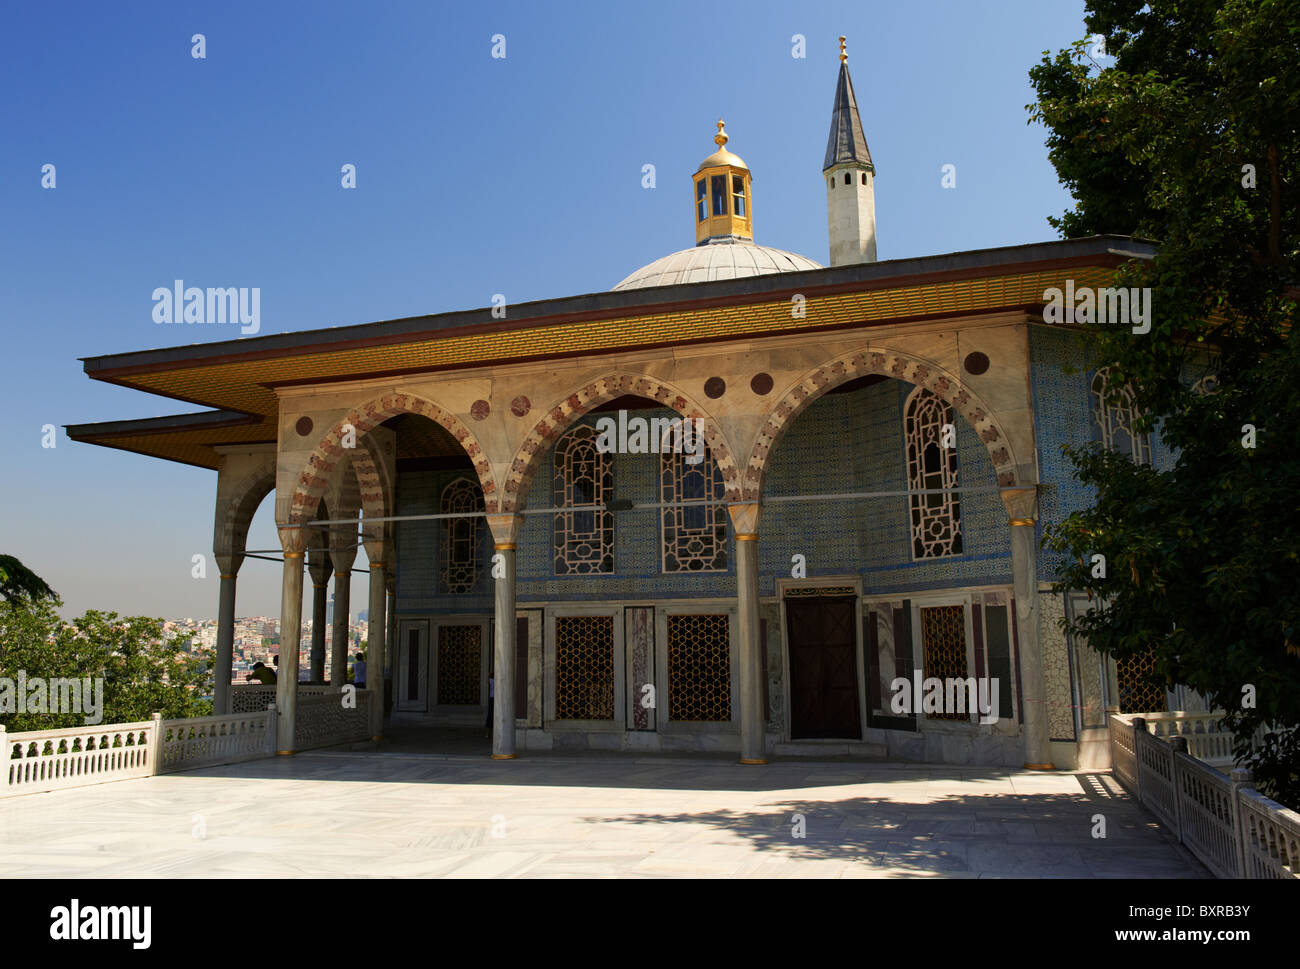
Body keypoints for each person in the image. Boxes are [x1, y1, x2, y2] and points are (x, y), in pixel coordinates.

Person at [484, 673, 494, 740]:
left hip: (492, 699)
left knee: (490, 716)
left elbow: (487, 680)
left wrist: (489, 674)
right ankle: (489, 733)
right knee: (491, 716)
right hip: (494, 699)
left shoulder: (491, 680)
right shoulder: (493, 680)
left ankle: (488, 734)